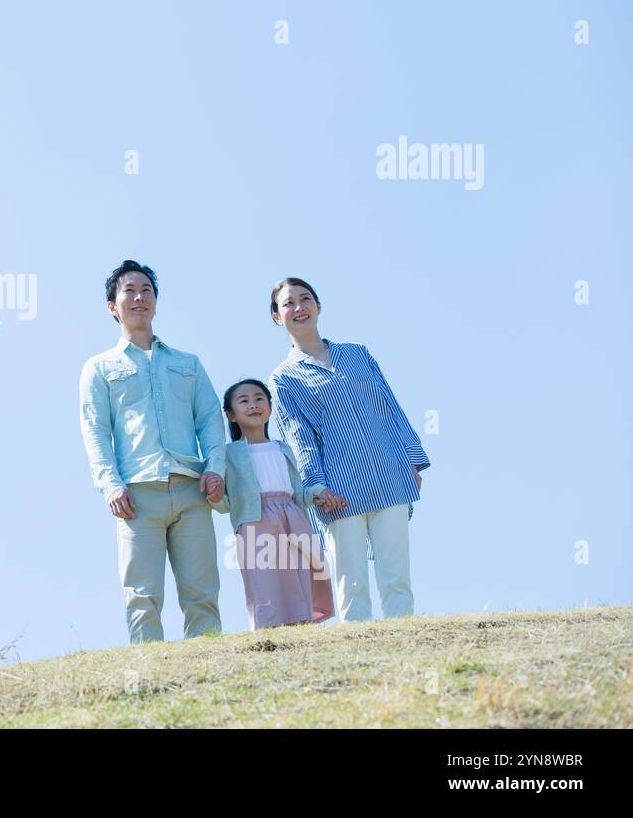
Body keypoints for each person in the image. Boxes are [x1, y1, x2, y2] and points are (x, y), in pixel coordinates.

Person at [78, 260, 227, 643]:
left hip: (191, 490)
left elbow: (210, 419)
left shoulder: (187, 364)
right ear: (113, 306)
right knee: (141, 596)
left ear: (156, 303)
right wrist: (110, 485)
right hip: (136, 497)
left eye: (146, 290)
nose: (139, 297)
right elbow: (95, 430)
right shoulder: (99, 368)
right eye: (129, 290)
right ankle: (150, 676)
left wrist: (217, 469)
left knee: (202, 594)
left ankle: (210, 673)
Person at [267, 277, 430, 622]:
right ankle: (361, 659)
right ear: (277, 317)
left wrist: (412, 460)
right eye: (288, 303)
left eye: (305, 299)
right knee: (351, 584)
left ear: (318, 306)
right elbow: (299, 436)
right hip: (338, 490)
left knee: (397, 577)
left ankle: (406, 648)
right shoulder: (284, 378)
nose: (299, 307)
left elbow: (389, 406)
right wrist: (315, 486)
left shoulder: (358, 354)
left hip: (389, 474)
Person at [207, 378, 335, 630]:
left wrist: (318, 493)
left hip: (293, 515)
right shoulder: (228, 453)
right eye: (244, 401)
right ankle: (268, 631)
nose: (253, 405)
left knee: (300, 573)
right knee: (263, 578)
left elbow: (297, 491)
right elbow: (224, 504)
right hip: (255, 520)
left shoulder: (283, 448)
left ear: (270, 407)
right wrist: (214, 496)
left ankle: (304, 626)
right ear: (231, 415)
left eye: (259, 399)